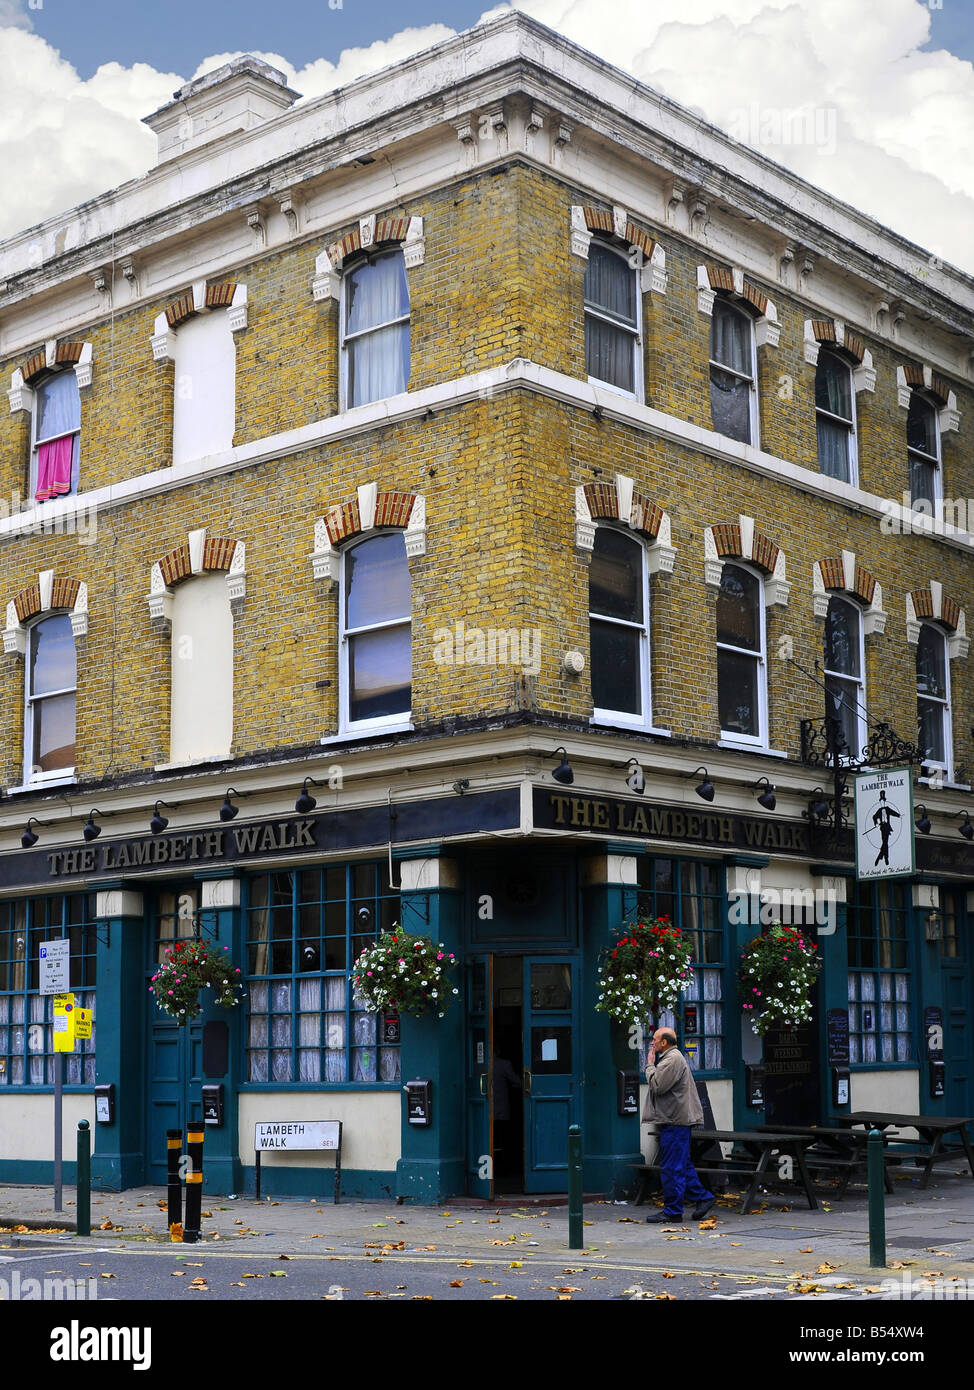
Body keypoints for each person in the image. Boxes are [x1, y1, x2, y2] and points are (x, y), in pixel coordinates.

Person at [642, 1026, 715, 1223]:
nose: (653, 1042)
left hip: (675, 1120)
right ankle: (703, 1197)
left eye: (655, 1039)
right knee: (681, 1164)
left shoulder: (671, 1059)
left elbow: (657, 1085)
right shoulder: (672, 1058)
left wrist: (649, 1065)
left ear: (664, 1042)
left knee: (672, 1167)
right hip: (676, 1119)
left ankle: (673, 1211)